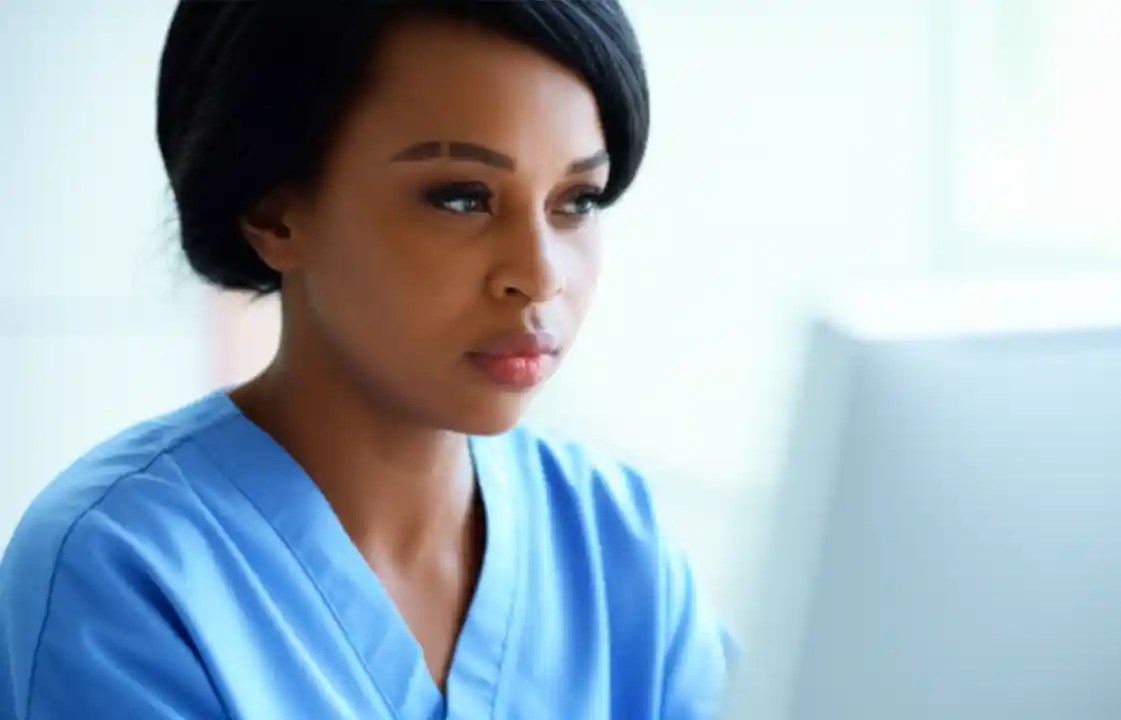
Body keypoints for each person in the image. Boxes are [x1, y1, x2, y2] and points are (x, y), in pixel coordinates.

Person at [0, 2, 733, 718]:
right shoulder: (123, 569)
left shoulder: (612, 536)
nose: (541, 275)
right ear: (274, 211)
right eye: (461, 198)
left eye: (576, 201)